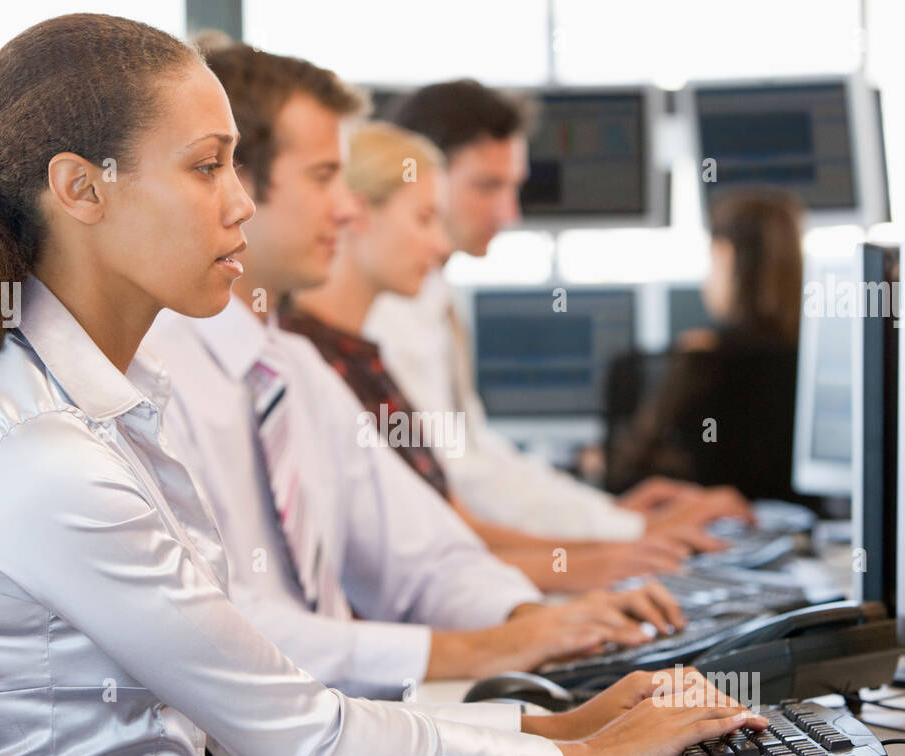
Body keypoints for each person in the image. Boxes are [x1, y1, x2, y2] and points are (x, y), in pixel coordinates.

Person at [0, 15, 764, 756]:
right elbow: (300, 734)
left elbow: (285, 706)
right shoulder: (44, 456)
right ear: (81, 189)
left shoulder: (96, 404)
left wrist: (562, 726)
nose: (242, 200)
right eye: (207, 166)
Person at [146, 42, 689, 701]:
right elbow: (235, 639)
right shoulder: (155, 380)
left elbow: (429, 554)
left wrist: (533, 621)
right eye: (324, 177)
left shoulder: (294, 368)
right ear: (235, 180)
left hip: (336, 736)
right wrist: (488, 646)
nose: (347, 210)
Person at [282, 120, 689, 591]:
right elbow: (420, 554)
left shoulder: (365, 359)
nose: (439, 243)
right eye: (423, 218)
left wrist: (611, 546)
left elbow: (447, 524)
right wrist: (599, 554)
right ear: (358, 213)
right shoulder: (316, 361)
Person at [367, 80, 751, 551]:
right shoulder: (386, 313)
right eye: (487, 187)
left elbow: (479, 456)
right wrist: (627, 532)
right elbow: (461, 479)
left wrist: (611, 516)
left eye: (514, 188)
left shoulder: (433, 293)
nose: (509, 213)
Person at [603, 189, 817, 507]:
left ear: (724, 256)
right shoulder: (817, 362)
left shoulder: (702, 361)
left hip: (705, 535)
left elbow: (629, 479)